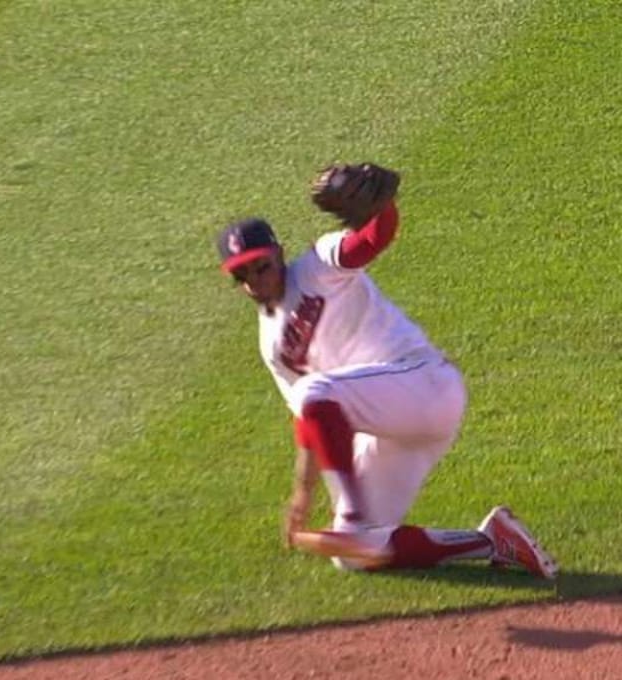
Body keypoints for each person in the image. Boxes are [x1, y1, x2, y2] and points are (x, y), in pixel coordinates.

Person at [216, 180, 558, 578]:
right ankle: (491, 540)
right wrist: (302, 494)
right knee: (353, 553)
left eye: (262, 266)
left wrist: (385, 205)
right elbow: (307, 418)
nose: (256, 280)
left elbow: (374, 238)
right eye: (243, 275)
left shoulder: (317, 266)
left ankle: (357, 517)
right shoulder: (270, 344)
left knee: (317, 392)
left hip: (426, 386)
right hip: (391, 429)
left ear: (279, 254)